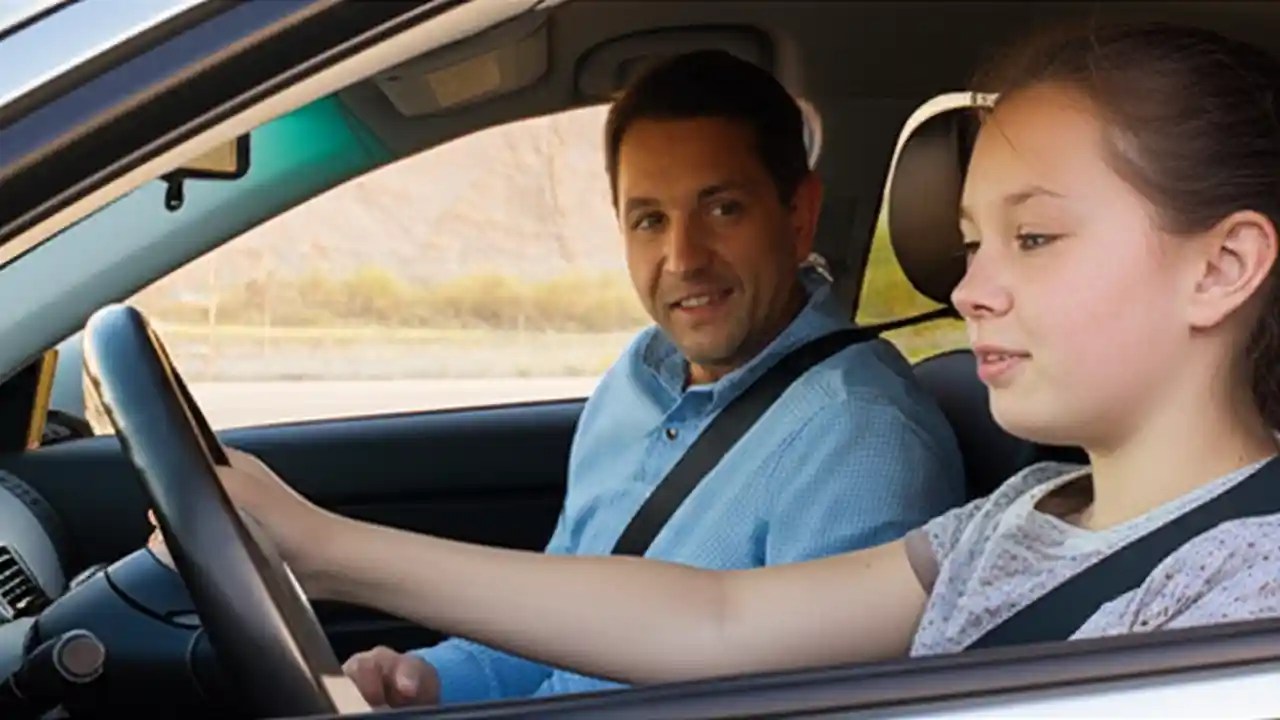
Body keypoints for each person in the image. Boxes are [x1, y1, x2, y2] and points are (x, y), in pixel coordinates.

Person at [203, 19, 1280, 695]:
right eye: (969, 245)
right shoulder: (1016, 516)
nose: (967, 292)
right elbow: (715, 620)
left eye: (1033, 238)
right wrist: (326, 550)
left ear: (1222, 267)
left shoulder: (1245, 590)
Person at [332, 50, 966, 705]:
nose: (683, 258)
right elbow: (551, 623)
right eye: (650, 220)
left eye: (722, 209)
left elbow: (818, 704)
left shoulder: (859, 439)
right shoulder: (638, 380)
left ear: (799, 215)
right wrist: (427, 682)